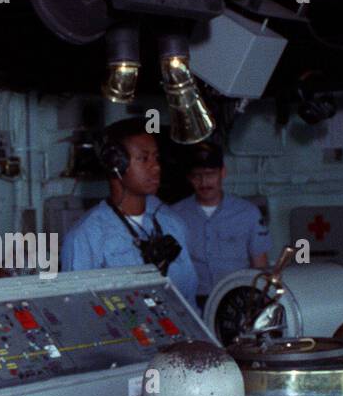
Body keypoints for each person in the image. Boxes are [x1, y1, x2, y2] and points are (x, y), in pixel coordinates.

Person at [60, 117, 198, 299]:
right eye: (144, 158)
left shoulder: (172, 224)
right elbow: (78, 307)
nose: (156, 167)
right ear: (116, 165)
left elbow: (189, 300)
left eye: (156, 158)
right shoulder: (85, 238)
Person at [173, 141, 271, 308]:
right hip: (192, 301)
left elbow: (260, 265)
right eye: (197, 176)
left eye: (210, 174)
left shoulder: (248, 212)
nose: (204, 182)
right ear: (189, 178)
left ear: (223, 172)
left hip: (237, 299)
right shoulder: (175, 215)